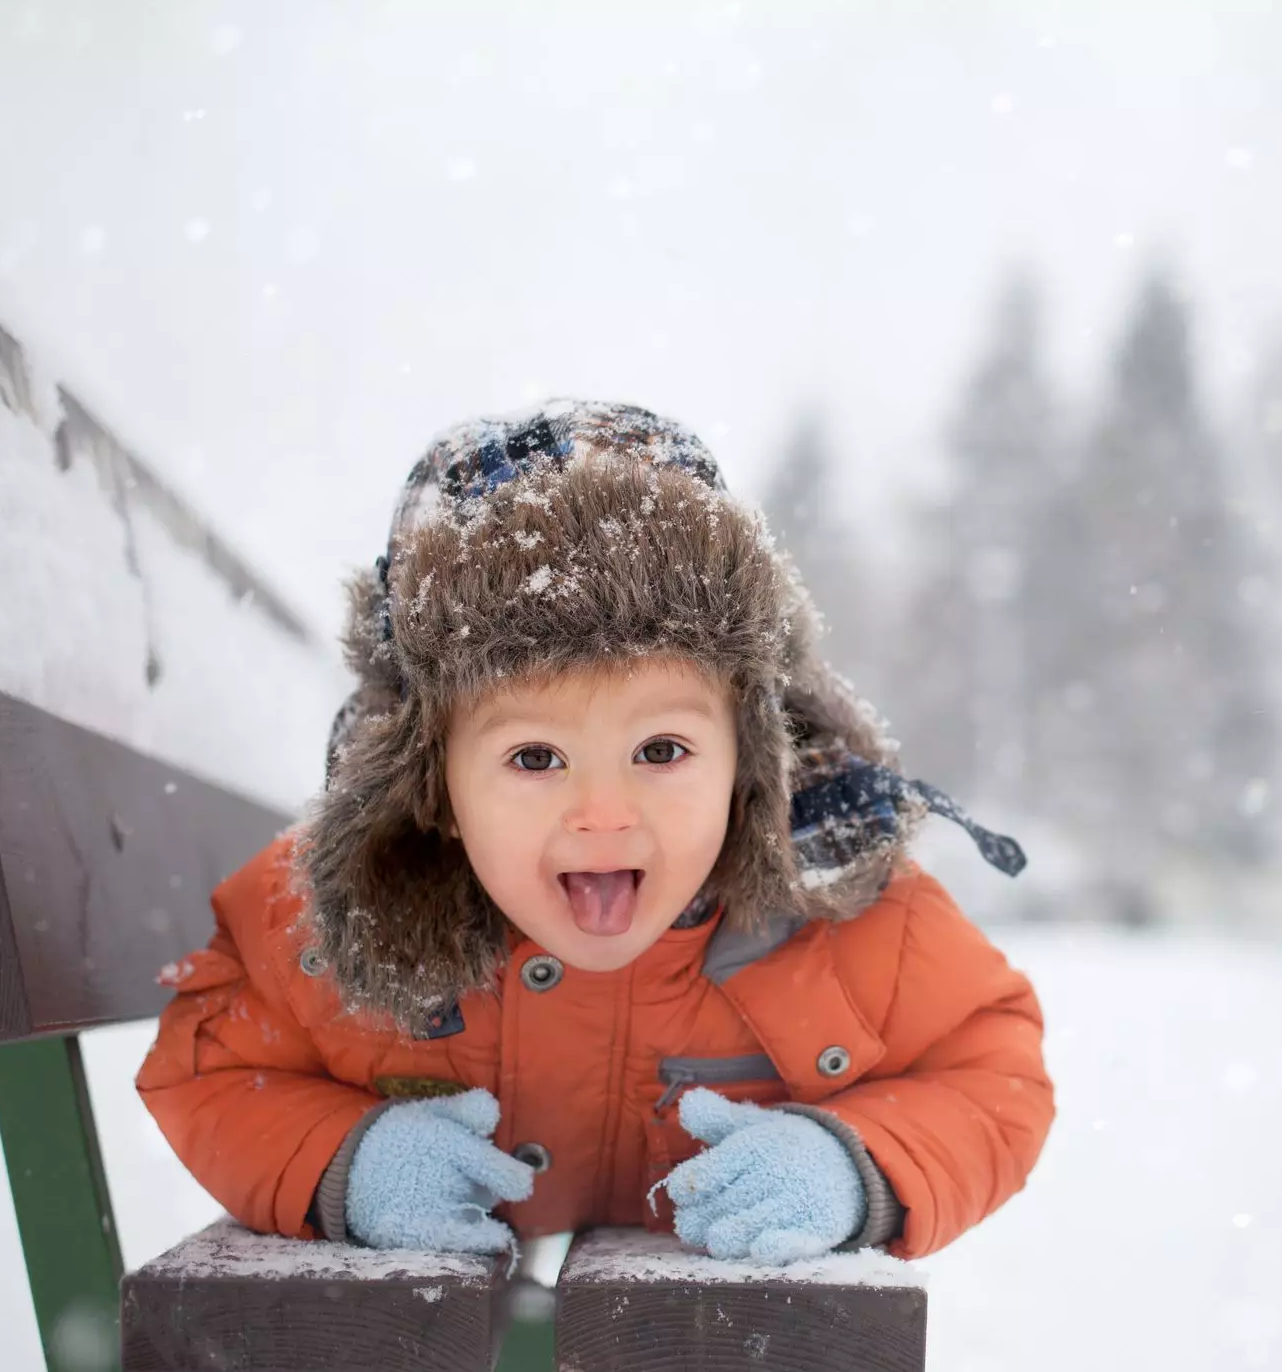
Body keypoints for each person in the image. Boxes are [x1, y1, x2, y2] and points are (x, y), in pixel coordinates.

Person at [137, 401, 1053, 1265]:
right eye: (535, 759)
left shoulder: (840, 905)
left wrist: (861, 1165)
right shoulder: (341, 913)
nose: (604, 811)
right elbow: (212, 1061)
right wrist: (346, 1159)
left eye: (660, 748)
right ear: (433, 784)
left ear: (749, 756)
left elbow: (989, 1072)